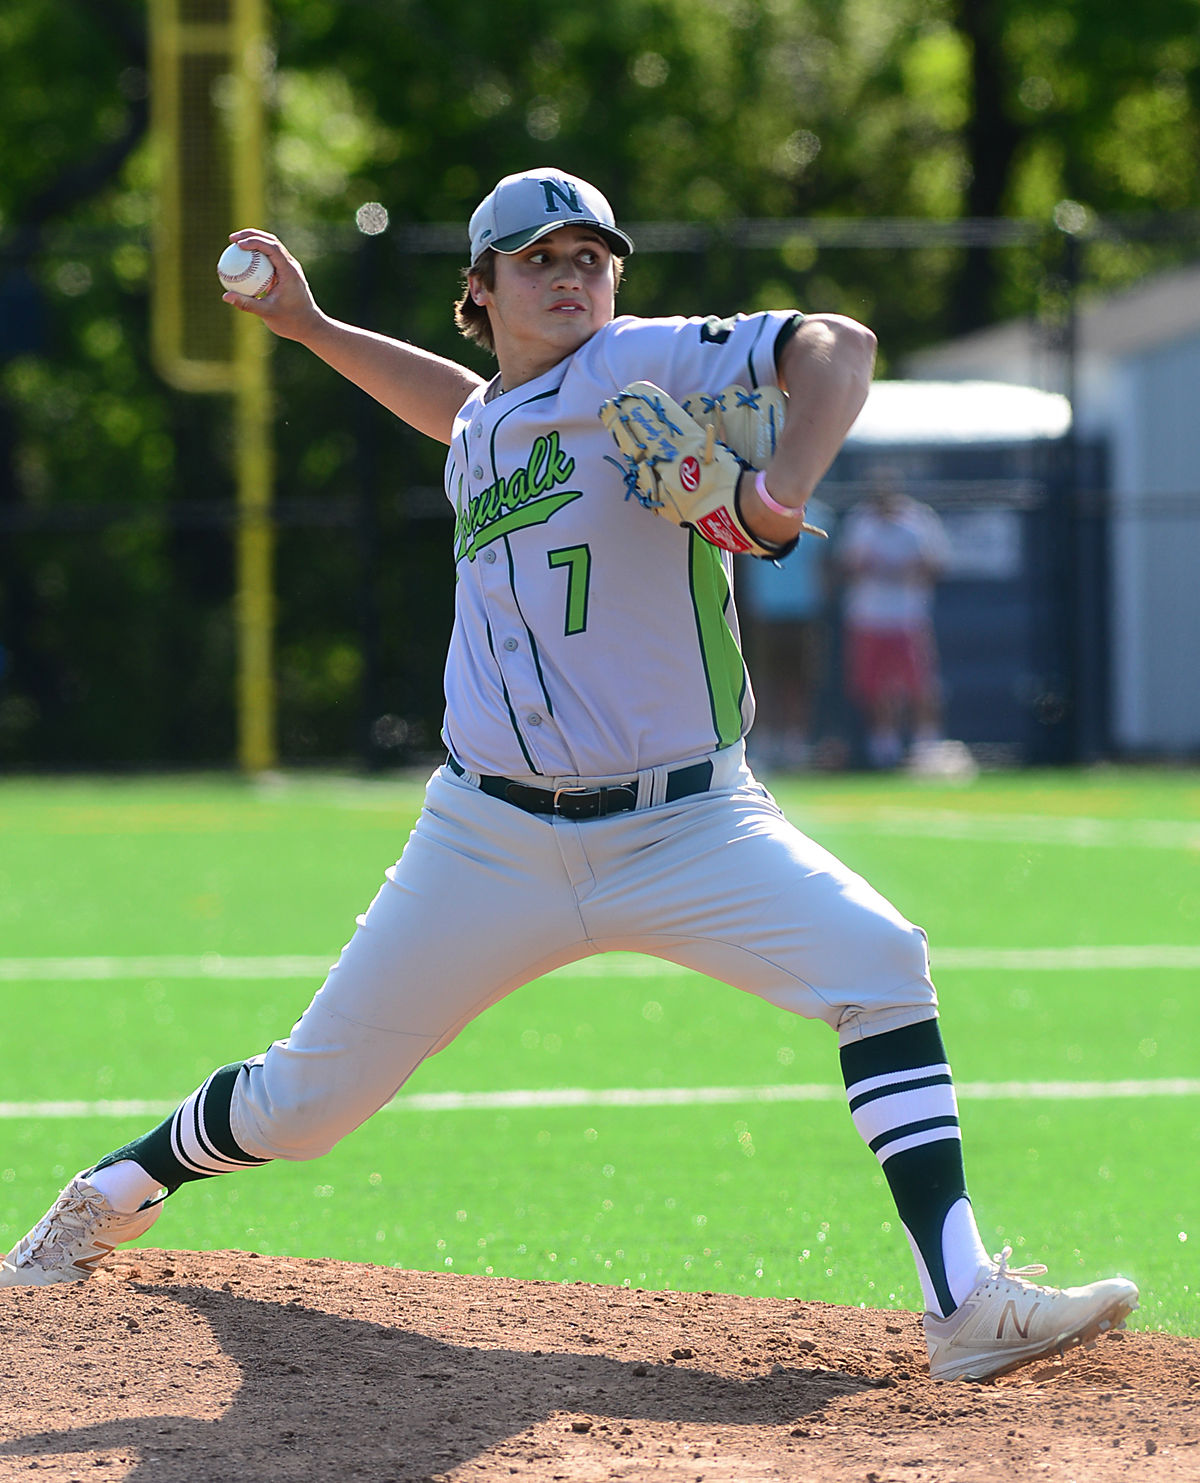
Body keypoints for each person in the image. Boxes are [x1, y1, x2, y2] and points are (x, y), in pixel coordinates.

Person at [0, 167, 1136, 1383]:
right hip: (488, 841)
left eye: (591, 255)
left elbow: (839, 349)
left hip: (690, 822)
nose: (572, 274)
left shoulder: (633, 363)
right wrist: (312, 328)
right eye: (538, 259)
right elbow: (462, 407)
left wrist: (772, 498)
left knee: (880, 961)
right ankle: (115, 1187)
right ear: (479, 292)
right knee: (305, 1105)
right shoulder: (495, 418)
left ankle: (961, 1298)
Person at [837, 476, 962, 773]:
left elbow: (937, 564)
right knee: (876, 686)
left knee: (921, 683)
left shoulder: (919, 520)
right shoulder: (860, 522)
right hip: (868, 618)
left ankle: (926, 746)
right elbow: (848, 566)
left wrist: (907, 568)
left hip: (909, 617)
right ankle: (885, 747)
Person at [737, 493, 833, 771]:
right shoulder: (753, 510)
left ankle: (794, 744)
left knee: (799, 681)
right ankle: (765, 742)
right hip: (765, 612)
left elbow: (824, 568)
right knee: (763, 680)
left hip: (804, 612)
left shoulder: (820, 516)